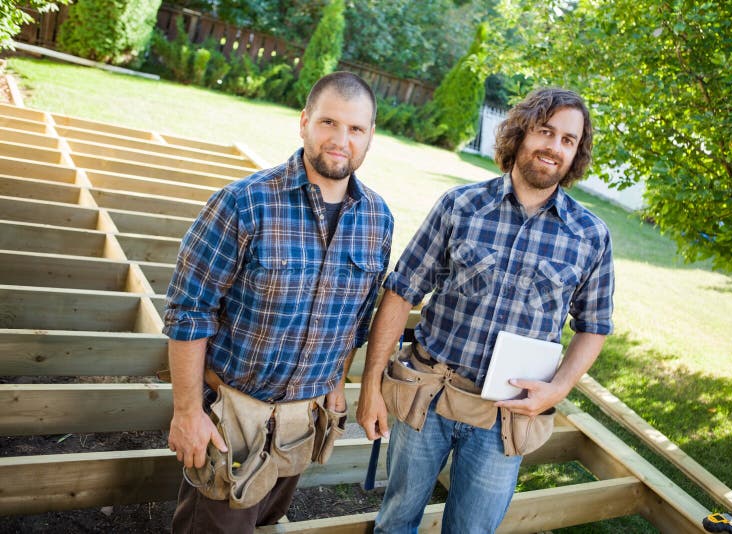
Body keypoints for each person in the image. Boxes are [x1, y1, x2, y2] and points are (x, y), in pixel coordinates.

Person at [357, 87, 614, 533]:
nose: (554, 147)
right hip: (428, 398)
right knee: (395, 521)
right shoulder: (461, 206)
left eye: (568, 140)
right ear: (520, 134)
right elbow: (401, 292)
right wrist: (371, 384)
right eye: (545, 131)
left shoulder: (590, 235)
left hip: (505, 416)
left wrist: (557, 390)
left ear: (576, 153)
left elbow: (594, 327)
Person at [163, 71, 393, 533]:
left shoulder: (378, 219)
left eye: (355, 129)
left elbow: (354, 319)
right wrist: (187, 413)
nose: (340, 140)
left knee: (267, 520)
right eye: (329, 123)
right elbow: (189, 311)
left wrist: (334, 386)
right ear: (305, 122)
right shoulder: (243, 203)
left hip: (301, 425)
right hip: (233, 418)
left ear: (370, 137)